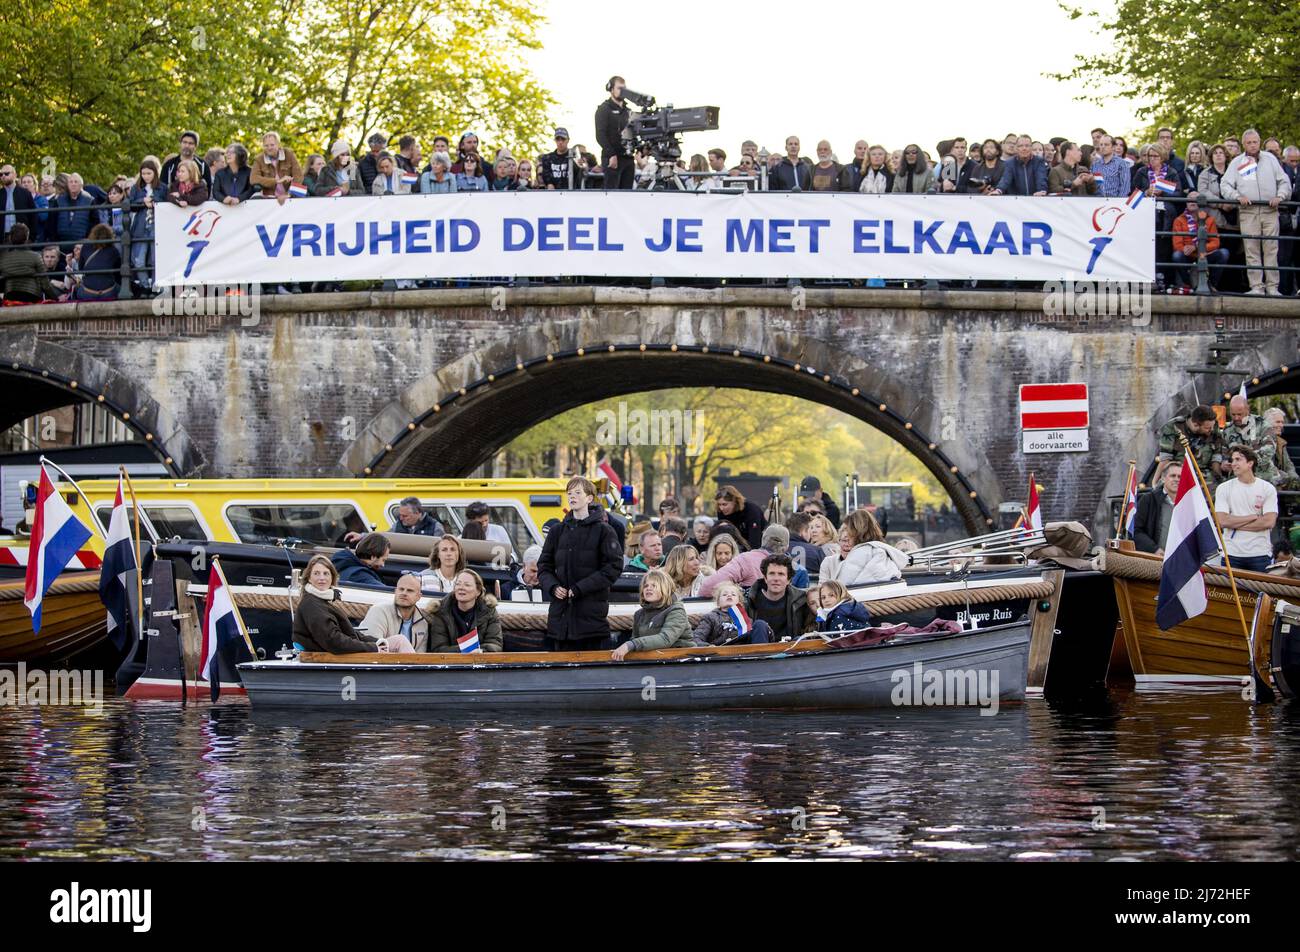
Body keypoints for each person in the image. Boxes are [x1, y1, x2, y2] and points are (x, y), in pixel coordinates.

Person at [537, 476, 623, 651]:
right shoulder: (557, 531)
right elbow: (544, 567)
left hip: (591, 623)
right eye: (569, 493)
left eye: (577, 492)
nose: (572, 497)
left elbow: (613, 567)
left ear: (589, 498)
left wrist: (580, 588)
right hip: (560, 622)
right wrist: (553, 587)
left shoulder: (604, 531)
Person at [1220, 128, 1292, 295]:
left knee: (1271, 249)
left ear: (1259, 142)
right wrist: (1237, 196)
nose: (1252, 145)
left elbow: (1284, 182)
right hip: (1248, 211)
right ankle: (1256, 287)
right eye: (1249, 142)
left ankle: (1273, 287)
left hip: (1270, 210)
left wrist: (1280, 197)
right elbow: (1225, 184)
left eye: (1255, 142)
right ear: (1244, 144)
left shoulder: (1271, 159)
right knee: (1251, 249)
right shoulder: (1237, 162)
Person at [293, 554, 384, 654]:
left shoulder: (321, 601)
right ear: (309, 578)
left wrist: (377, 642)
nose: (322, 578)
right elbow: (333, 641)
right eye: (316, 573)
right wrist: (372, 648)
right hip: (322, 658)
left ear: (332, 578)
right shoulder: (311, 604)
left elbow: (348, 633)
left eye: (326, 574)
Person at [1214, 445, 1278, 573]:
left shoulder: (1267, 488)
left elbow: (1268, 522)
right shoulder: (1223, 488)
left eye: (1238, 459)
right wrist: (1253, 517)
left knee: (1261, 593)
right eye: (1232, 460)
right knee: (1229, 593)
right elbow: (1222, 521)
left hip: (1260, 553)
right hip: (1231, 553)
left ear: (1250, 463)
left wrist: (1234, 524)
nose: (1233, 464)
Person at [610, 569, 695, 659]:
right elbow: (635, 639)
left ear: (665, 588)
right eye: (646, 586)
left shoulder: (676, 610)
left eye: (654, 586)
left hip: (680, 660)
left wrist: (631, 644)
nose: (648, 588)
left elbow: (666, 639)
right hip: (652, 659)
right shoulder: (639, 614)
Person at [700, 524, 799, 597]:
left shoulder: (745, 560)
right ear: (786, 547)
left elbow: (707, 588)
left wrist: (736, 592)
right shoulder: (799, 569)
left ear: (763, 540)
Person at [819, 509, 909, 585]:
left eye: (850, 538)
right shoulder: (828, 563)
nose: (846, 544)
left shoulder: (876, 555)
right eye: (843, 540)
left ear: (861, 538)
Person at [426, 569, 504, 652]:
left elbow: (495, 644)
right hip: (451, 663)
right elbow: (438, 649)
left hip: (481, 661)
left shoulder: (489, 611)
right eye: (458, 584)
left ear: (478, 591)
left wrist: (481, 652)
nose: (461, 588)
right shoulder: (441, 611)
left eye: (467, 585)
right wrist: (468, 651)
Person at [742, 554, 813, 643]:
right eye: (772, 574)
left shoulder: (801, 600)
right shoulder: (748, 600)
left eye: (781, 574)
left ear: (789, 580)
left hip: (791, 651)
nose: (776, 579)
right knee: (760, 625)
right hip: (758, 651)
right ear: (765, 578)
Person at [1155, 405, 1225, 488]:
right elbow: (1165, 458)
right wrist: (1155, 482)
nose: (1212, 429)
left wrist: (1220, 479)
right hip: (1179, 472)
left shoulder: (1212, 424)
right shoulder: (1173, 427)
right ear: (1196, 425)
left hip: (1205, 473)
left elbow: (1216, 456)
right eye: (1207, 428)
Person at [1171, 193, 1229, 291]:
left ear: (1201, 203)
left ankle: (1211, 285)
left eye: (1195, 199)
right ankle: (1189, 285)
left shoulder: (1209, 220)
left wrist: (1198, 247)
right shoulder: (1179, 220)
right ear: (1186, 203)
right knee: (1177, 255)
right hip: (1188, 255)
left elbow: (1215, 243)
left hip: (1205, 253)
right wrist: (1185, 249)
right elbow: (1177, 245)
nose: (1192, 201)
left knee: (1224, 253)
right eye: (1189, 199)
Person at [359, 572, 430, 651]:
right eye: (401, 589)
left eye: (410, 591)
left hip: (409, 662)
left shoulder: (423, 622)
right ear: (395, 591)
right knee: (400, 640)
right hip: (378, 661)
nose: (404, 593)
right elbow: (373, 648)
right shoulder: (379, 611)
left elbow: (421, 657)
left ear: (419, 597)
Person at [1133, 459, 1182, 555]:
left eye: (1180, 477)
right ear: (1163, 478)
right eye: (1173, 476)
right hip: (1154, 560)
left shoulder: (1188, 504)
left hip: (1180, 560)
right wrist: (1154, 549)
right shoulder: (1148, 500)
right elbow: (1136, 530)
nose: (1176, 479)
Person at [595, 77, 634, 190]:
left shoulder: (628, 111)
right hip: (612, 159)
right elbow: (600, 135)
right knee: (612, 195)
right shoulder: (604, 109)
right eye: (619, 88)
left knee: (627, 195)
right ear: (611, 89)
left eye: (624, 89)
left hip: (628, 158)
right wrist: (611, 154)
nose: (622, 91)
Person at [43, 173, 100, 251]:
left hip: (82, 244)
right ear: (67, 184)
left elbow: (95, 222)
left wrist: (87, 239)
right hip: (61, 243)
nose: (73, 184)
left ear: (81, 185)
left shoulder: (89, 200)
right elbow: (52, 222)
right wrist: (54, 241)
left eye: (76, 182)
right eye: (71, 182)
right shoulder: (58, 200)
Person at [1, 223, 52, 303]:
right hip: (32, 297)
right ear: (27, 238)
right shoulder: (35, 256)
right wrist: (57, 298)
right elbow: (45, 284)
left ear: (10, 237)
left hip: (10, 298)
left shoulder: (3, 258)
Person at [250, 131, 303, 199]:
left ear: (278, 144)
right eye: (266, 145)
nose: (269, 148)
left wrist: (290, 193)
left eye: (272, 145)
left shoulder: (289, 154)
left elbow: (298, 175)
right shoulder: (259, 159)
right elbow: (253, 179)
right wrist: (277, 181)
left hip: (290, 194)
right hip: (269, 196)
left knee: (304, 193)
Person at [714, 484, 767, 549]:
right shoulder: (721, 511)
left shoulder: (751, 510)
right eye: (719, 504)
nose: (721, 508)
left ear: (735, 501)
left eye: (725, 504)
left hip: (759, 542)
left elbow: (755, 542)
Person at [1261, 408, 1299, 489]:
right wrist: (1285, 477)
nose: (1281, 425)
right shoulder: (1259, 441)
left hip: (1280, 482)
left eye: (1282, 422)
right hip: (1265, 484)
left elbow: (1289, 465)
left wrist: (1294, 477)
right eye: (1278, 422)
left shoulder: (1280, 442)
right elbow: (1265, 468)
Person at [784, 511, 826, 577]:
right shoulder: (817, 551)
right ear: (803, 531)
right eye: (810, 528)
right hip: (811, 586)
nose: (811, 532)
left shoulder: (779, 550)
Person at [0, 164, 37, 238]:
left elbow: (33, 215)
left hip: (22, 237)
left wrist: (31, 237)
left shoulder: (25, 193)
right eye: (1, 174)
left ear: (15, 175)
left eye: (7, 173)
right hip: (2, 238)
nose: (3, 176)